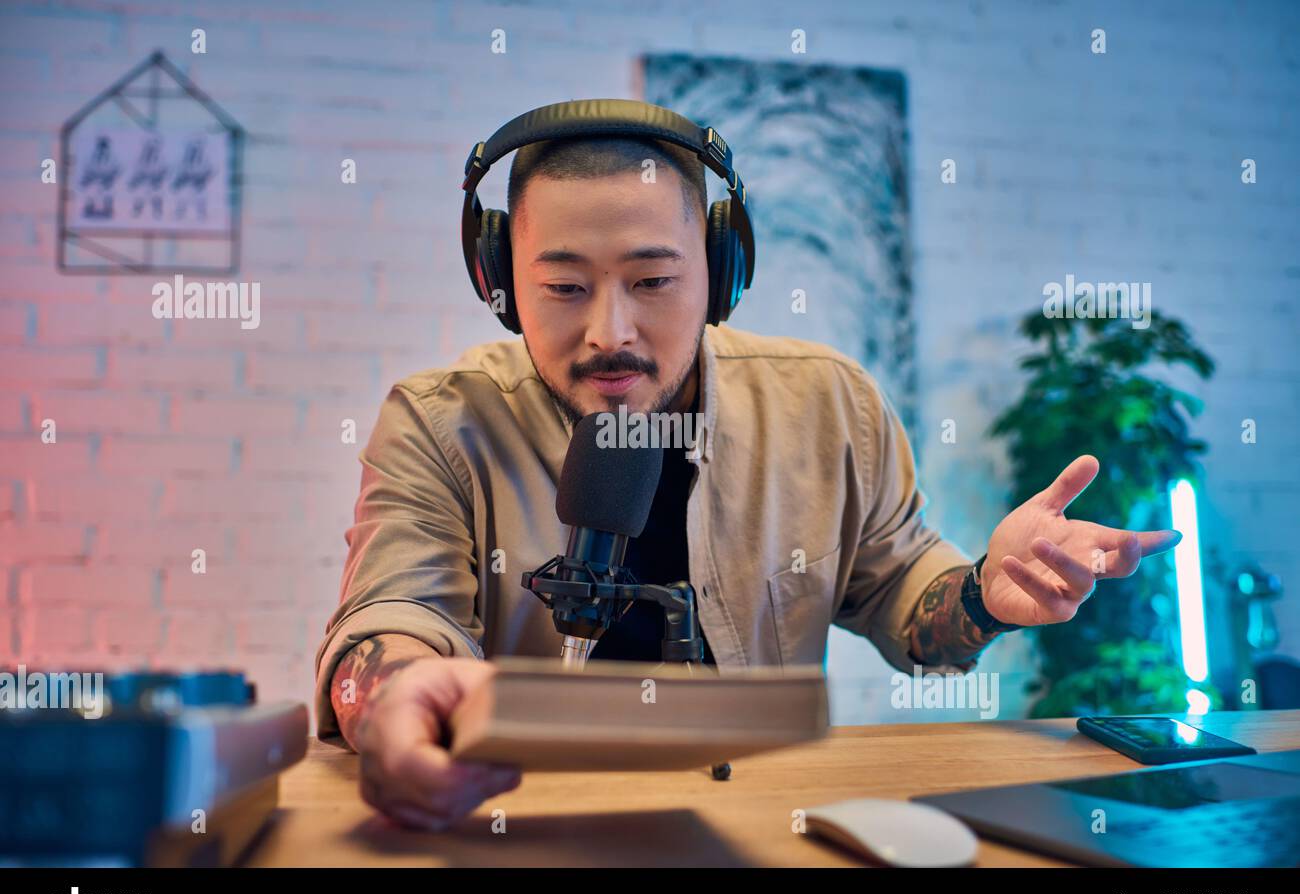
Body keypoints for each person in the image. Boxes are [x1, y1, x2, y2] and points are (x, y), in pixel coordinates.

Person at [313, 101, 1181, 832]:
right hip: (517, 827)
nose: (610, 331)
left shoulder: (830, 404)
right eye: (566, 287)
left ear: (721, 275)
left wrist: (989, 590)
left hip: (762, 830)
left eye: (652, 282)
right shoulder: (438, 420)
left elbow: (908, 605)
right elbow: (395, 612)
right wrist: (392, 690)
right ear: (500, 281)